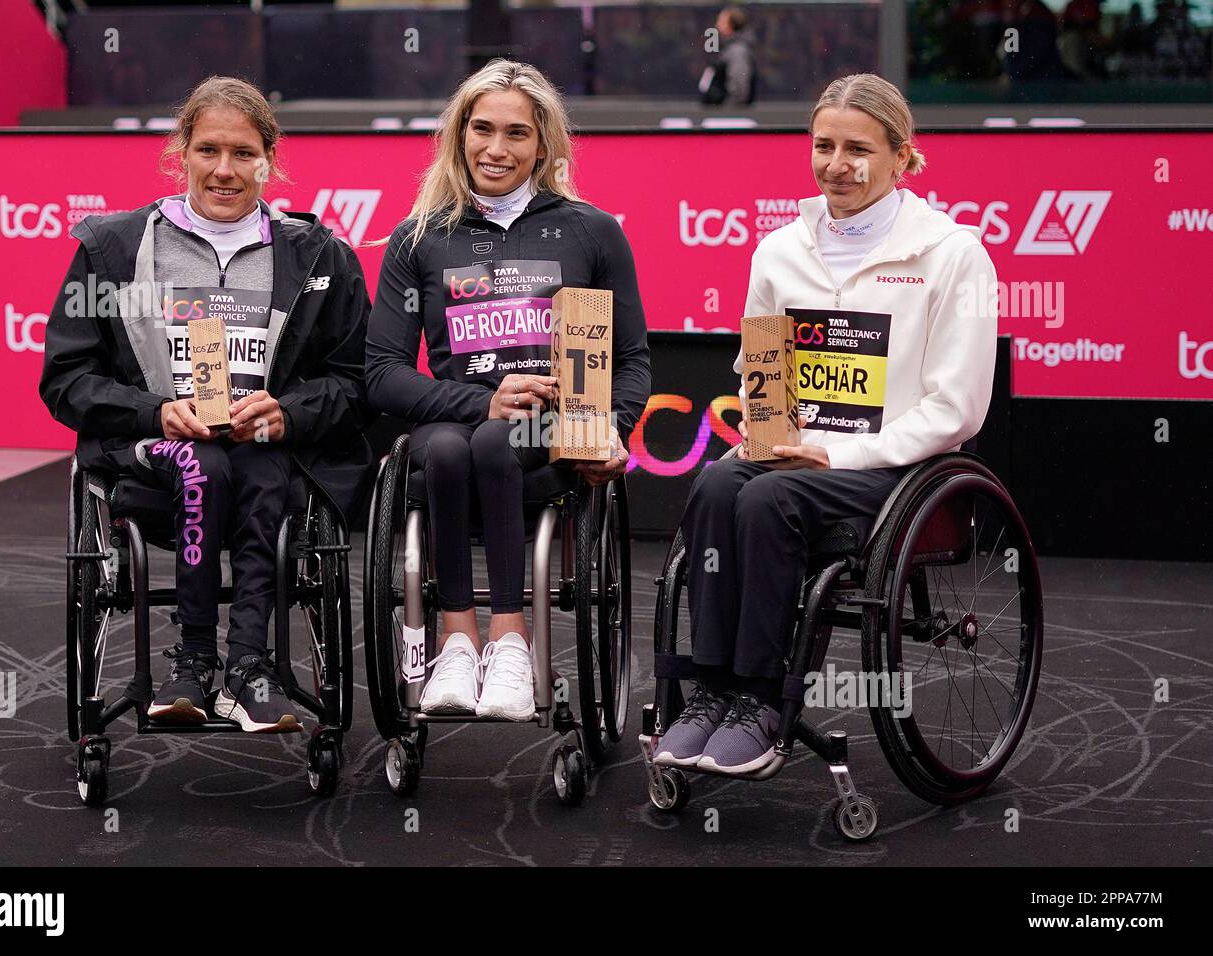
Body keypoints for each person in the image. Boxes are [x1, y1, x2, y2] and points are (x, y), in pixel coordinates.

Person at [654, 73, 998, 775]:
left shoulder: (952, 254)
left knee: (769, 498)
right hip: (796, 453)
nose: (837, 164)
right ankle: (710, 690)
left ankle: (761, 699)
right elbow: (758, 370)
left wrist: (839, 454)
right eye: (823, 145)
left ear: (903, 156)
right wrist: (769, 426)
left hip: (895, 471)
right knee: (720, 486)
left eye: (859, 149)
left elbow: (957, 406)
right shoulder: (779, 251)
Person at [39, 76, 372, 733]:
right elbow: (66, 379)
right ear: (181, 151)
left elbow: (355, 380)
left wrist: (288, 413)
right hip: (153, 454)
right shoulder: (112, 250)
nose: (225, 169)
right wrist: (155, 411)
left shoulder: (318, 256)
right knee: (204, 466)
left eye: (244, 153)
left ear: (269, 160)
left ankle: (249, 668)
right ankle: (193, 657)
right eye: (209, 150)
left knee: (253, 465)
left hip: (266, 453)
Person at [365, 59, 651, 721]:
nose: (497, 148)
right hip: (455, 423)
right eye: (482, 129)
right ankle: (457, 641)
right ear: (459, 136)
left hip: (549, 433)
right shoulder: (419, 239)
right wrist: (481, 399)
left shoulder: (592, 232)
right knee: (442, 449)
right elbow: (381, 372)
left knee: (496, 440)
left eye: (516, 134)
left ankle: (513, 642)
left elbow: (632, 359)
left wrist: (615, 426)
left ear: (543, 144)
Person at [700, 6, 757, 107]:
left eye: (721, 21)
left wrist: (726, 112)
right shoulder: (726, 49)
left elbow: (739, 90)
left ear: (730, 25)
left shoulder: (737, 51)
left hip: (727, 117)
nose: (717, 25)